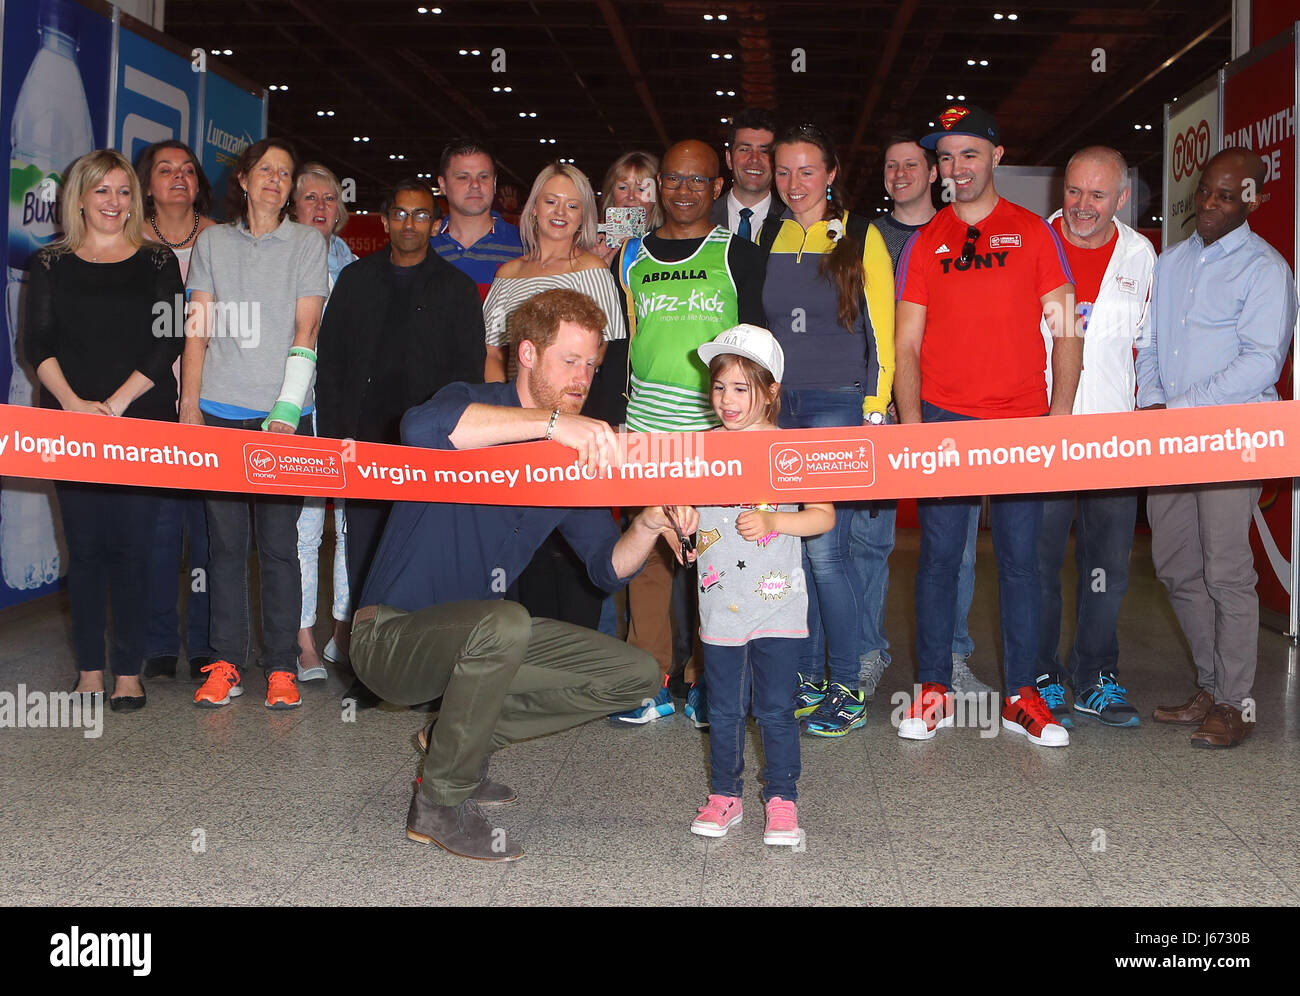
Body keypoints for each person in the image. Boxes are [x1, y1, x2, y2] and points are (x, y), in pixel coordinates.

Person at [350, 287, 691, 861]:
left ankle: (453, 744)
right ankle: (439, 802)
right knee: (506, 622)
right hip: (389, 637)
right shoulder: (473, 405)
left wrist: (649, 524)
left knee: (633, 673)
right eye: (569, 360)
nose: (582, 378)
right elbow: (421, 429)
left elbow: (606, 570)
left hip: (479, 639)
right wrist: (552, 424)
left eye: (591, 364)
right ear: (528, 354)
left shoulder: (571, 459)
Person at [893, 103, 1076, 747]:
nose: (955, 167)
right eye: (945, 156)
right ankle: (935, 687)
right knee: (940, 558)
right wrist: (913, 425)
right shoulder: (926, 241)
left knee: (1023, 563)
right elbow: (907, 343)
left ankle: (1024, 695)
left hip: (1023, 419)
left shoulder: (1033, 233)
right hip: (944, 418)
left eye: (969, 153)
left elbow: (1066, 327)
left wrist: (1059, 415)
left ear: (997, 157)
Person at [1137, 147, 1296, 748]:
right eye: (1205, 191)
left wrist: (1178, 410)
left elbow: (1260, 363)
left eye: (1226, 195)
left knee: (1226, 572)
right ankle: (1209, 685)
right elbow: (1149, 344)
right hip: (1170, 439)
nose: (1208, 203)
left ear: (1253, 199)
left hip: (1231, 439)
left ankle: (1235, 704)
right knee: (1177, 566)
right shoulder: (1171, 262)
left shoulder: (1265, 269)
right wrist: (1154, 402)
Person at [609, 138, 767, 725]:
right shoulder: (629, 255)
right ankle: (646, 679)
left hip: (713, 433)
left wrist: (753, 425)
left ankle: (709, 680)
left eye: (696, 181)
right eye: (671, 179)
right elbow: (621, 343)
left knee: (712, 557)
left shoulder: (740, 255)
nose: (682, 191)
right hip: (645, 428)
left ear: (718, 187)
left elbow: (755, 350)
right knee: (648, 555)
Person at [316, 178, 486, 706]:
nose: (410, 224)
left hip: (431, 449)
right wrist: (341, 434)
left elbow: (468, 374)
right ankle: (371, 675)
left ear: (435, 225)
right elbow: (333, 364)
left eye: (421, 215)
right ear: (385, 219)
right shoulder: (355, 280)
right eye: (400, 214)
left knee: (426, 557)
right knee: (367, 558)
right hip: (365, 446)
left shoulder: (457, 289)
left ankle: (434, 675)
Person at [25, 149, 184, 711]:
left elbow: (170, 340)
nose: (114, 202)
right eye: (102, 191)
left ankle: (128, 672)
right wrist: (73, 405)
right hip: (72, 424)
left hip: (138, 420)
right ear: (81, 197)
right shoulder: (50, 263)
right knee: (87, 549)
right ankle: (90, 669)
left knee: (132, 548)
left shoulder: (158, 260)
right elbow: (36, 345)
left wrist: (114, 405)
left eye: (122, 191)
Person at [181, 138, 328, 711]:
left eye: (285, 174)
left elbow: (307, 328)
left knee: (278, 548)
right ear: (243, 179)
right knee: (224, 546)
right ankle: (225, 661)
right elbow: (197, 328)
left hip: (285, 421)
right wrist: (189, 406)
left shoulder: (307, 243)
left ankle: (282, 666)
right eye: (265, 170)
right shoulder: (213, 241)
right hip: (218, 411)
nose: (275, 180)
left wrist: (288, 409)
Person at [758, 122, 894, 737]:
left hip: (838, 405)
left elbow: (882, 329)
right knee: (788, 550)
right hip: (778, 407)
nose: (793, 183)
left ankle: (846, 683)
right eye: (783, 170)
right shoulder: (766, 233)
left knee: (826, 553)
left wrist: (875, 405)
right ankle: (810, 680)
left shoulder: (862, 235)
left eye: (807, 170)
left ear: (833, 173)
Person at [860, 133, 991, 701]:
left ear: (932, 171)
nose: (901, 173)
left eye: (912, 163)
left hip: (942, 405)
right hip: (876, 408)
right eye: (891, 165)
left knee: (954, 542)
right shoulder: (863, 236)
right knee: (869, 537)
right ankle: (864, 652)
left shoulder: (958, 234)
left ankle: (953, 655)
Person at [689, 325, 831, 844]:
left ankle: (782, 800)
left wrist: (776, 522)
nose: (727, 400)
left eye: (741, 389)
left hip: (779, 606)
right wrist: (681, 512)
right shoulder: (700, 448)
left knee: (775, 706)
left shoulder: (790, 450)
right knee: (723, 706)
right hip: (719, 603)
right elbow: (682, 509)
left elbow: (822, 516)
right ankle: (725, 796)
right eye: (720, 387)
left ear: (770, 391)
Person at [1036, 146, 1155, 729]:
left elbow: (1149, 347)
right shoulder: (1034, 242)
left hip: (1113, 436)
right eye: (1074, 191)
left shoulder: (1141, 254)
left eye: (1098, 195)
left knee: (1106, 564)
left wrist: (1149, 416)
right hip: (1042, 432)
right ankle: (1042, 675)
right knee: (1037, 562)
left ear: (1122, 198)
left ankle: (1095, 675)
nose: (1083, 206)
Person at [481, 163, 627, 630]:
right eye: (551, 201)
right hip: (514, 430)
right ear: (533, 208)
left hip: (574, 428)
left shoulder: (591, 270)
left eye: (572, 204)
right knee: (520, 542)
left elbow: (601, 356)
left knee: (576, 541)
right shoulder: (509, 273)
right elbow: (491, 353)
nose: (560, 212)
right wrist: (499, 419)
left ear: (584, 215)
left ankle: (582, 657)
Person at [134, 140, 217, 681]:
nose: (178, 177)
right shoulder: (127, 239)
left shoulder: (221, 238)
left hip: (212, 399)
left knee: (208, 529)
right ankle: (160, 642)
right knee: (159, 530)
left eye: (187, 169)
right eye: (165, 170)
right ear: (147, 184)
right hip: (148, 400)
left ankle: (208, 645)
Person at [289, 162, 357, 682]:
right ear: (293, 205)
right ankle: (302, 635)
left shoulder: (354, 267)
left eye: (327, 198)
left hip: (345, 408)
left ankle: (342, 630)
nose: (319, 206)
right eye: (308, 197)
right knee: (306, 526)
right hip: (297, 408)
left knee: (349, 526)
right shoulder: (283, 254)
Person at [430, 138, 524, 316]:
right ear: (442, 185)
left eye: (483, 177)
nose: (475, 185)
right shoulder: (423, 248)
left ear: (494, 183)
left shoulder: (525, 247)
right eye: (463, 177)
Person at [709, 107, 782, 244]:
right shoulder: (702, 217)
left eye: (764, 151)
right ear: (729, 158)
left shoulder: (791, 223)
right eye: (744, 149)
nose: (754, 159)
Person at [594, 151, 661, 265]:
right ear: (611, 192)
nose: (631, 196)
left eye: (641, 189)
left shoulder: (666, 240)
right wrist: (593, 263)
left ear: (656, 195)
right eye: (622, 187)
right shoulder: (595, 241)